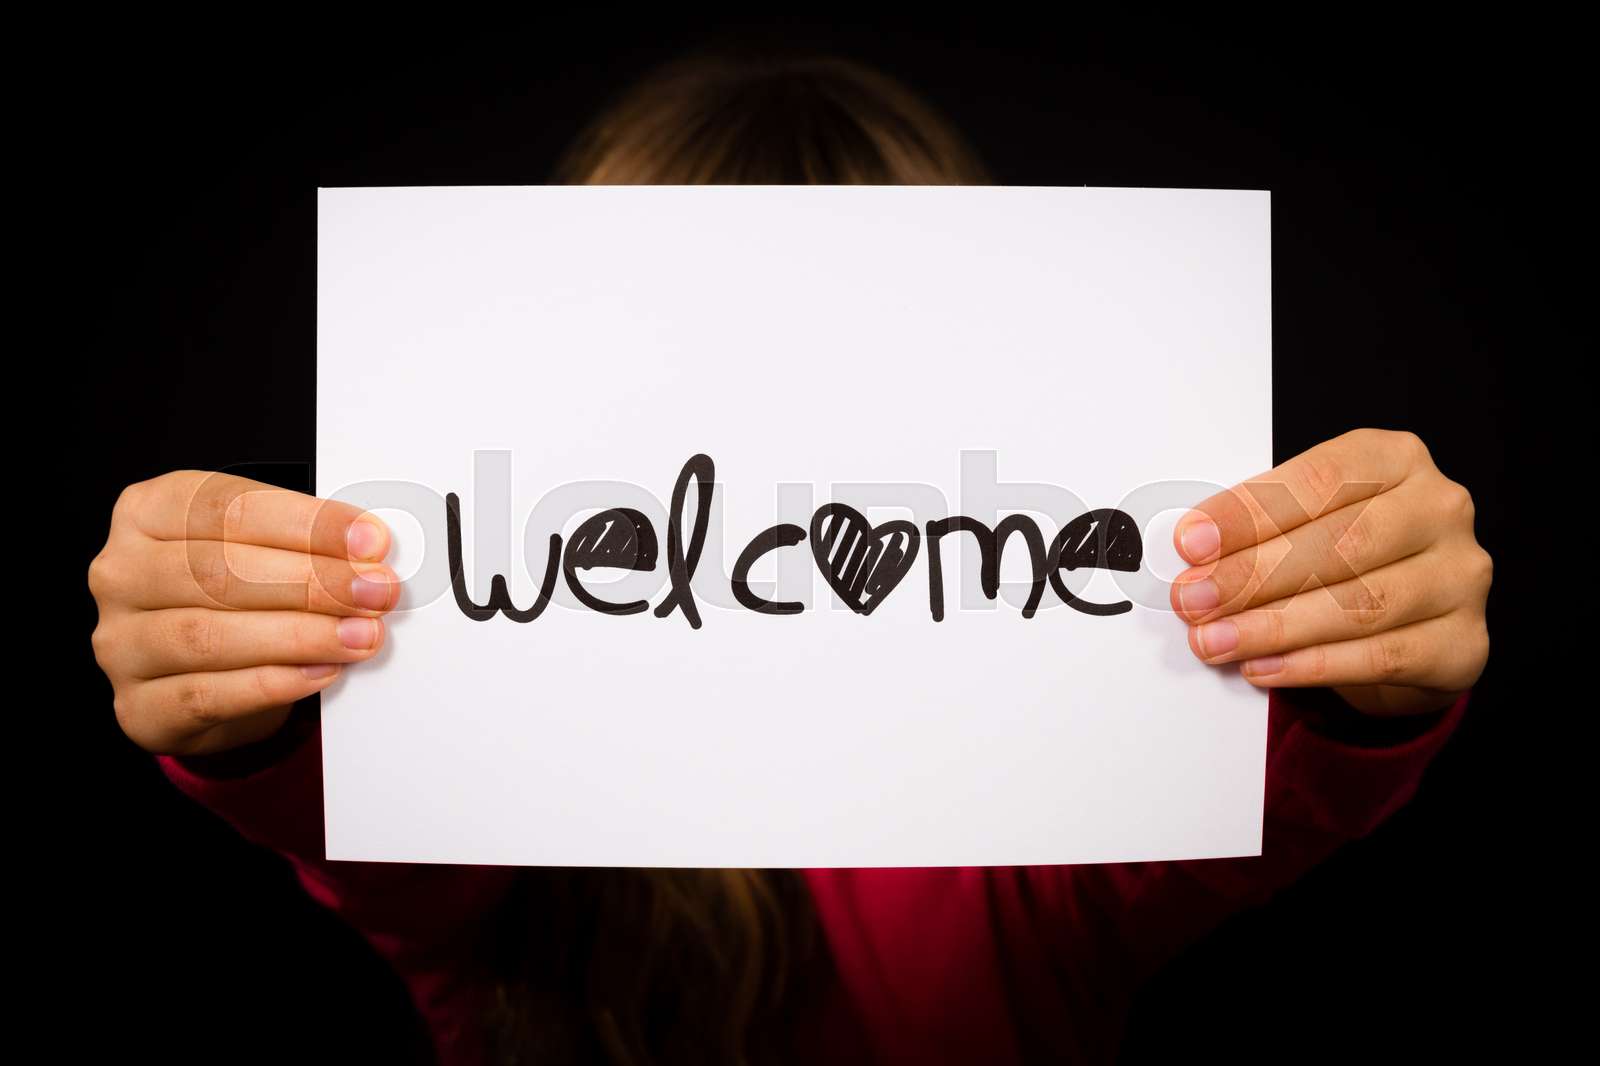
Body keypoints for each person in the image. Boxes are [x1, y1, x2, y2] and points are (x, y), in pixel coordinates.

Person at [86, 48, 1491, 1066]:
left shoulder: (1045, 844)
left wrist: (1362, 659)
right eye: (689, 369)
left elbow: (1243, 798)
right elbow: (363, 819)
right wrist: (240, 677)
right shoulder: (502, 804)